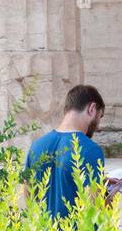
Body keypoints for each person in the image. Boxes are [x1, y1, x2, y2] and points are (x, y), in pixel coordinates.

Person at [24, 85, 113, 221]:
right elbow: (96, 209)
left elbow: (29, 197)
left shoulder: (36, 146)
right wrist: (109, 193)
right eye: (99, 117)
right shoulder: (90, 150)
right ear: (91, 108)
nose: (98, 126)